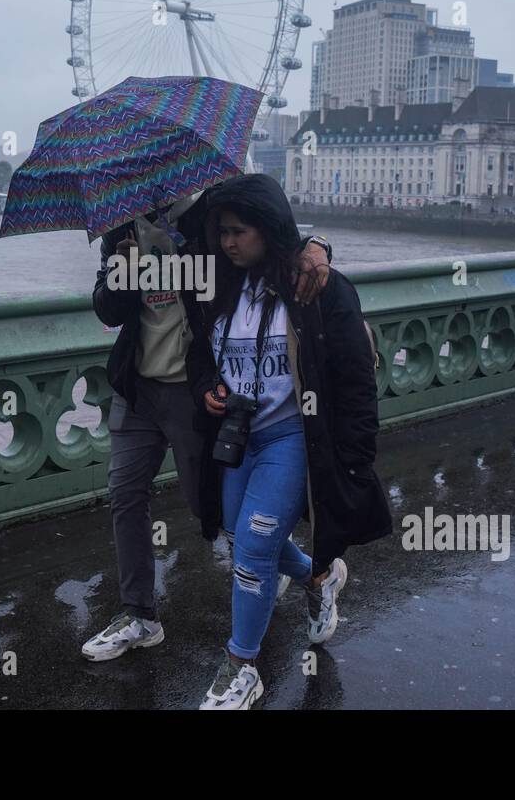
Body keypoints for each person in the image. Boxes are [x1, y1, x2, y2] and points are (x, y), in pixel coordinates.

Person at [81, 188, 332, 661]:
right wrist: (122, 274)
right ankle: (140, 616)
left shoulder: (209, 215)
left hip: (194, 389)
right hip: (137, 385)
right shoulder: (121, 225)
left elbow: (275, 233)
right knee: (125, 494)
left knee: (213, 513)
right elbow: (106, 310)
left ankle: (307, 571)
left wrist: (318, 245)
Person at [185, 174, 392, 709]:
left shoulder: (316, 287)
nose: (229, 243)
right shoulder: (221, 286)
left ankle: (241, 669)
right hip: (239, 433)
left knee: (253, 552)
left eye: (239, 231)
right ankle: (319, 576)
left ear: (269, 227)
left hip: (293, 435)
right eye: (222, 232)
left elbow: (355, 380)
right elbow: (204, 356)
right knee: (237, 539)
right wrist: (211, 387)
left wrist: (355, 459)